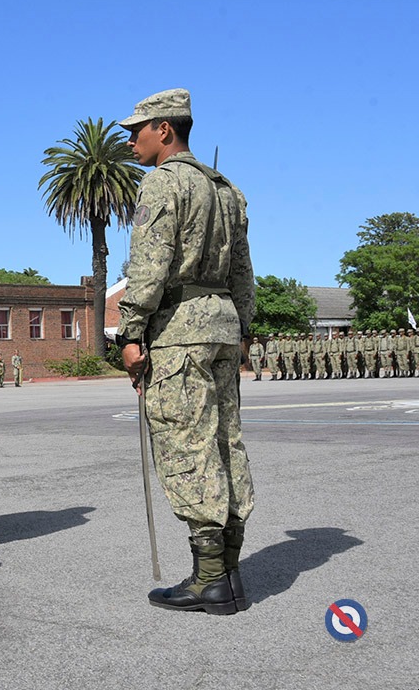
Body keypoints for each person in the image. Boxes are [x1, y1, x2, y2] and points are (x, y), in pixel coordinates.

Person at [116, 88, 255, 616]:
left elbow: (149, 266)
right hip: (221, 323)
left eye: (138, 130)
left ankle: (210, 580)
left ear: (165, 131)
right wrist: (242, 328)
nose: (131, 140)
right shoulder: (227, 190)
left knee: (188, 448)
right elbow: (243, 272)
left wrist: (131, 333)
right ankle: (231, 574)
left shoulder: (164, 182)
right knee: (225, 444)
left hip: (179, 329)